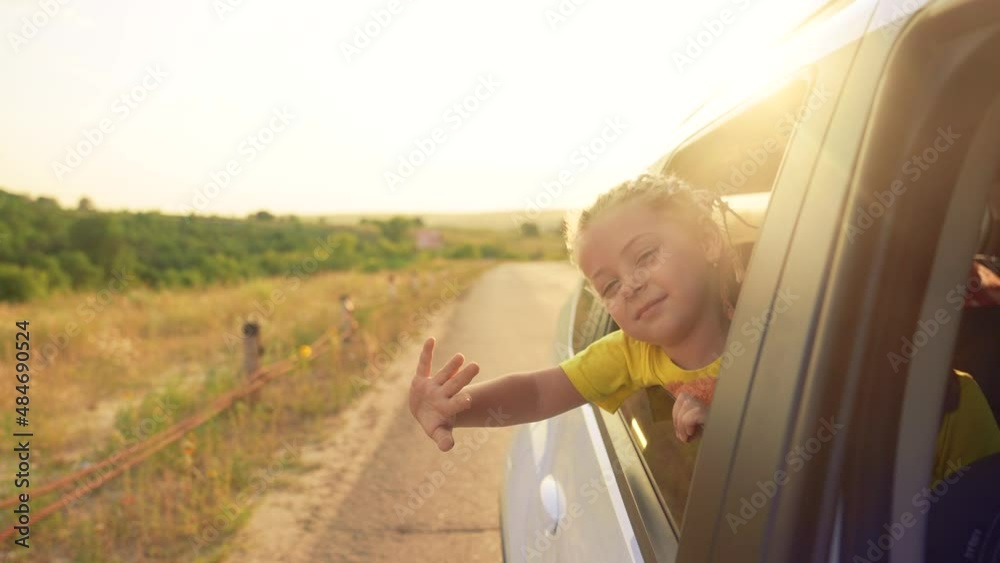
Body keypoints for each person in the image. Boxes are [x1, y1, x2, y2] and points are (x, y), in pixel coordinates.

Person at [409, 172, 739, 451]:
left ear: (707, 241)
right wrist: (456, 409)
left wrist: (728, 423)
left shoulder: (772, 325)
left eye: (645, 255)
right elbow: (537, 394)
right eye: (609, 286)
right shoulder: (631, 354)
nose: (630, 286)